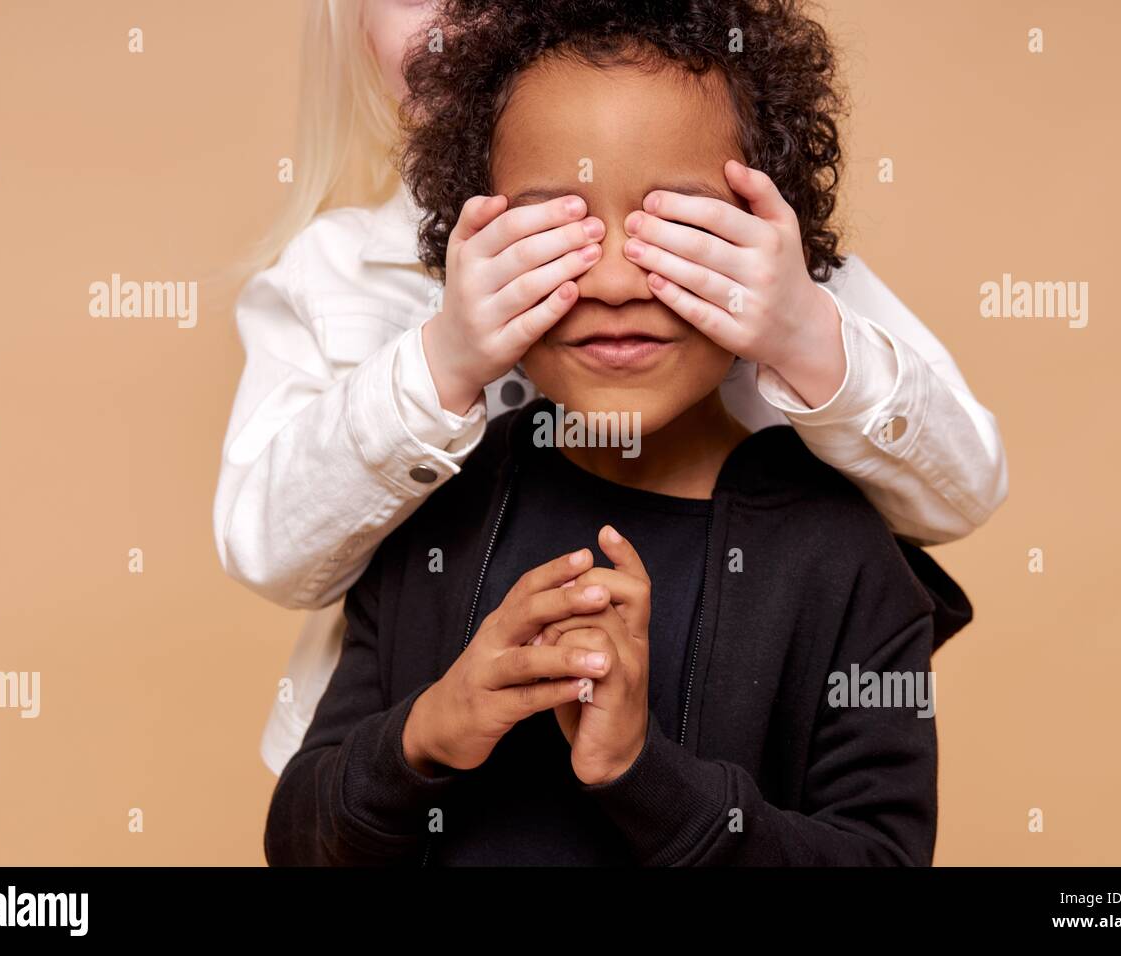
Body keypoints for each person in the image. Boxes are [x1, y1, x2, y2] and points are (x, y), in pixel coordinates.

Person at [213, 0, 1006, 776]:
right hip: (405, 773)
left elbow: (961, 492)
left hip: (708, 767)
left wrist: (804, 333)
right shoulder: (334, 275)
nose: (464, 21)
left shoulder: (764, 248)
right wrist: (442, 363)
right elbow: (270, 556)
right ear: (348, 22)